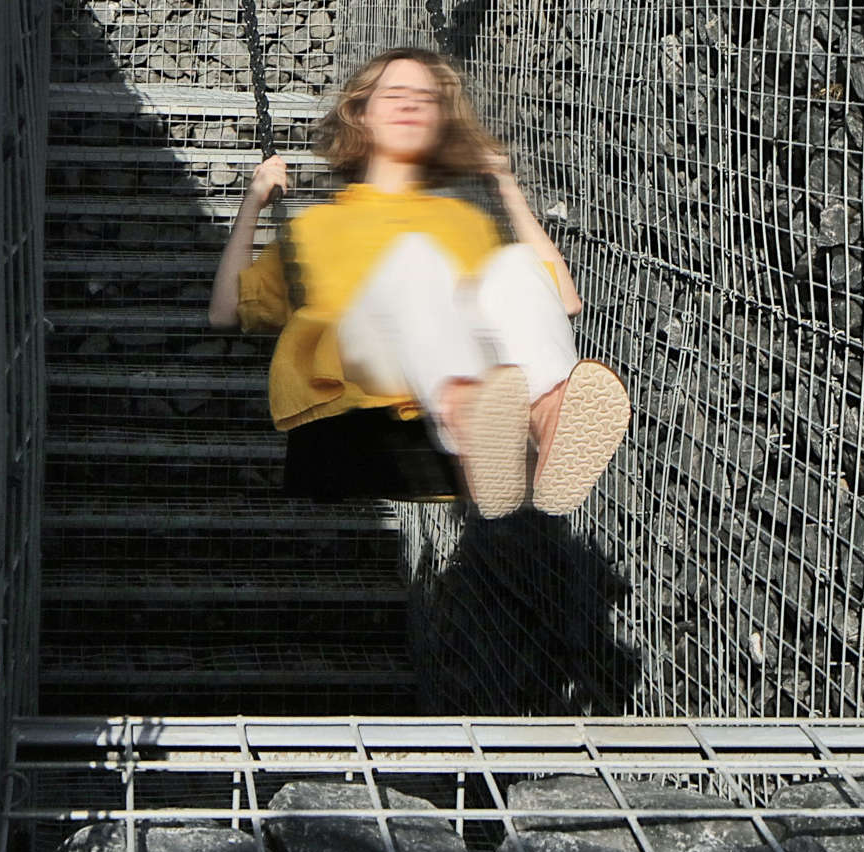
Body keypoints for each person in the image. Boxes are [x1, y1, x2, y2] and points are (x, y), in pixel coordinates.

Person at [209, 45, 631, 518]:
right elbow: (226, 312)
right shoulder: (316, 227)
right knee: (414, 258)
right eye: (395, 94)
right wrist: (253, 202)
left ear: (440, 121)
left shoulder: (464, 219)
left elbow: (563, 302)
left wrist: (505, 184)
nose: (410, 104)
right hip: (357, 361)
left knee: (514, 264)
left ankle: (549, 423)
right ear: (362, 115)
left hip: (447, 359)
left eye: (425, 98)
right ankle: (472, 425)